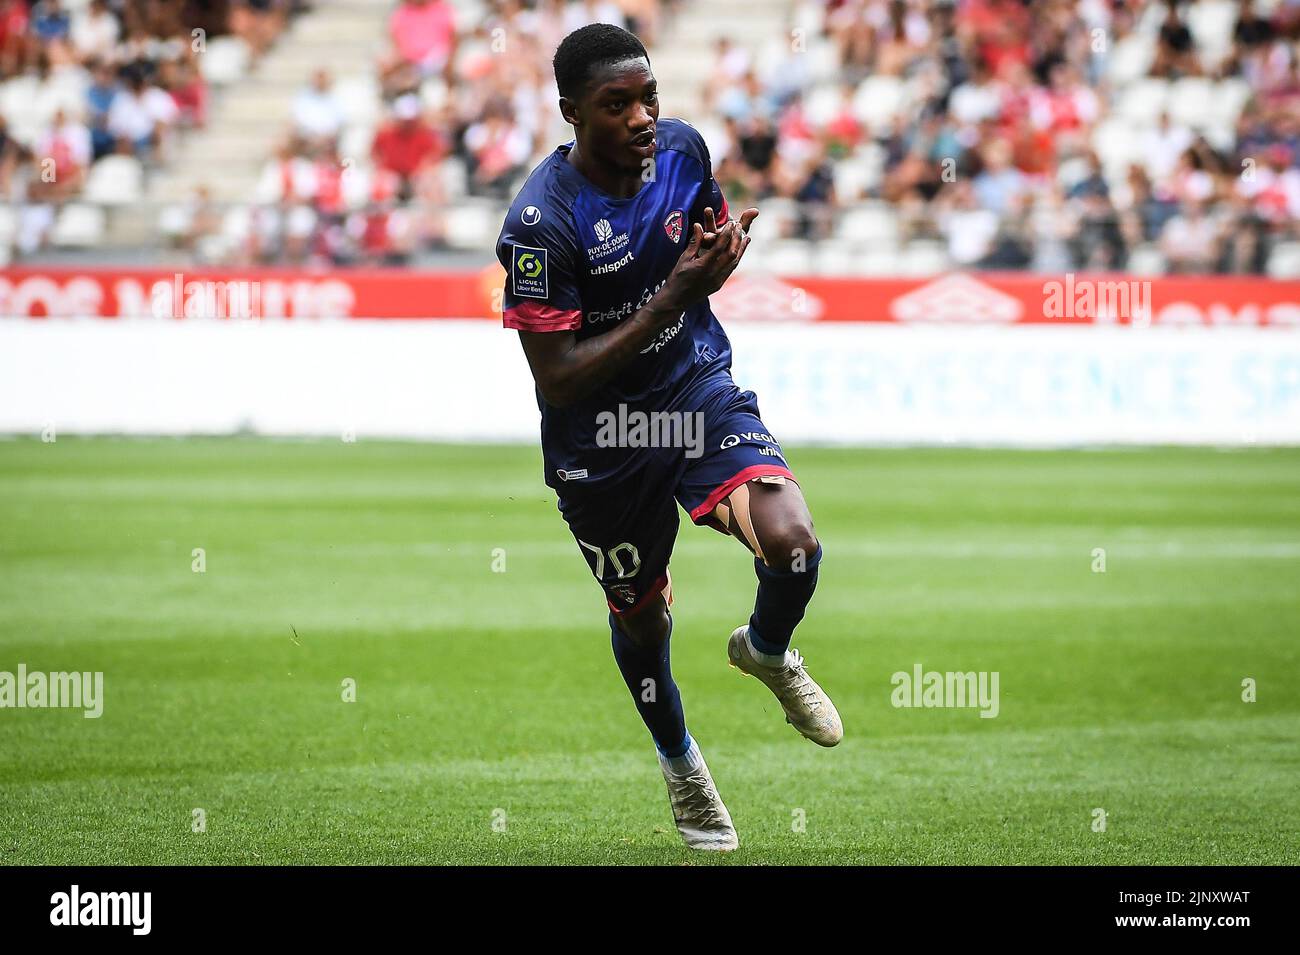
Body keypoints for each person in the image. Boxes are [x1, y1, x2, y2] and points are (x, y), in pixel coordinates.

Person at [494, 24, 842, 852]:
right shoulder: (541, 225)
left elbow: (700, 249)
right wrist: (671, 294)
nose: (643, 116)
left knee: (793, 542)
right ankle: (681, 762)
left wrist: (712, 265)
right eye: (617, 105)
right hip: (602, 440)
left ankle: (764, 650)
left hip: (692, 392)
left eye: (648, 96)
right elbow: (559, 377)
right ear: (572, 113)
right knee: (644, 622)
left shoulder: (684, 152)